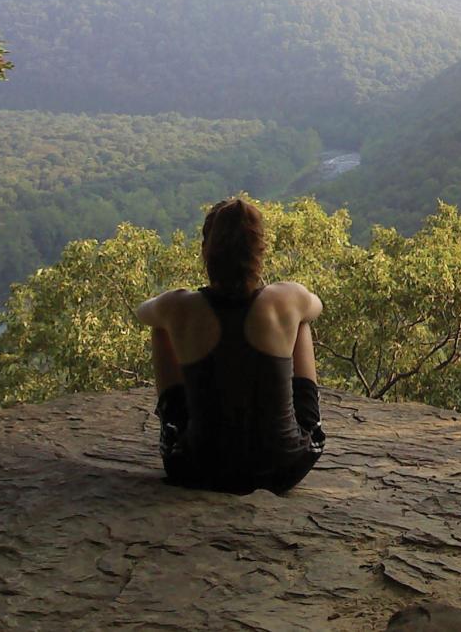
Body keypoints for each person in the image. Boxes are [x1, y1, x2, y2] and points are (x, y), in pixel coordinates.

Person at [135, 198, 325, 494]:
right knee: (300, 321)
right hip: (285, 466)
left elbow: (142, 312)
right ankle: (306, 425)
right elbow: (316, 307)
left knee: (161, 327)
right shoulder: (287, 297)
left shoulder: (180, 306)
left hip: (199, 468)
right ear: (260, 250)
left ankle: (174, 427)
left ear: (206, 252)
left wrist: (176, 305)